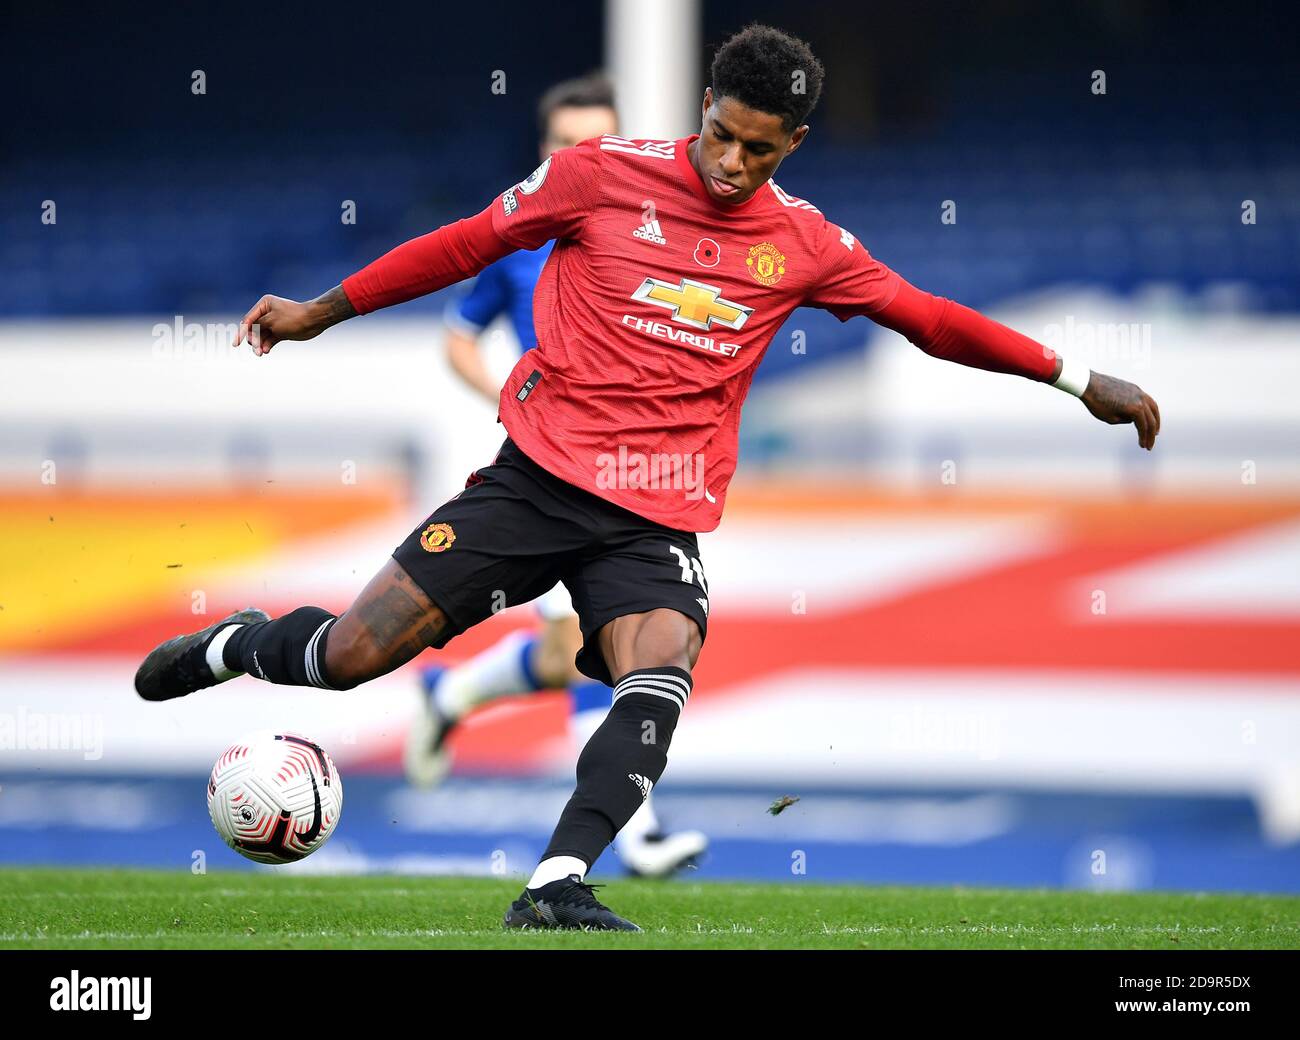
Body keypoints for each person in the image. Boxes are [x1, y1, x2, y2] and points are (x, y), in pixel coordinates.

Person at [136, 24, 1160, 932]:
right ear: (703, 108)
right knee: (354, 655)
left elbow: (930, 318)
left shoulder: (805, 244)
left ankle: (557, 882)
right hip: (533, 480)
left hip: (653, 513)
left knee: (661, 662)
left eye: (759, 148)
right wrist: (323, 309)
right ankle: (236, 644)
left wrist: (1075, 378)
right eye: (722, 133)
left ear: (791, 146)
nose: (731, 160)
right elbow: (465, 244)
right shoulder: (598, 174)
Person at [406, 73, 708, 879]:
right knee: (585, 641)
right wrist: (502, 396)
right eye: (564, 142)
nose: (580, 154)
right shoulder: (518, 241)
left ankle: (449, 697)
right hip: (542, 467)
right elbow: (457, 335)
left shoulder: (650, 232)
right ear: (542, 152)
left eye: (595, 138)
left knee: (578, 649)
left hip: (629, 471)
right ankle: (635, 837)